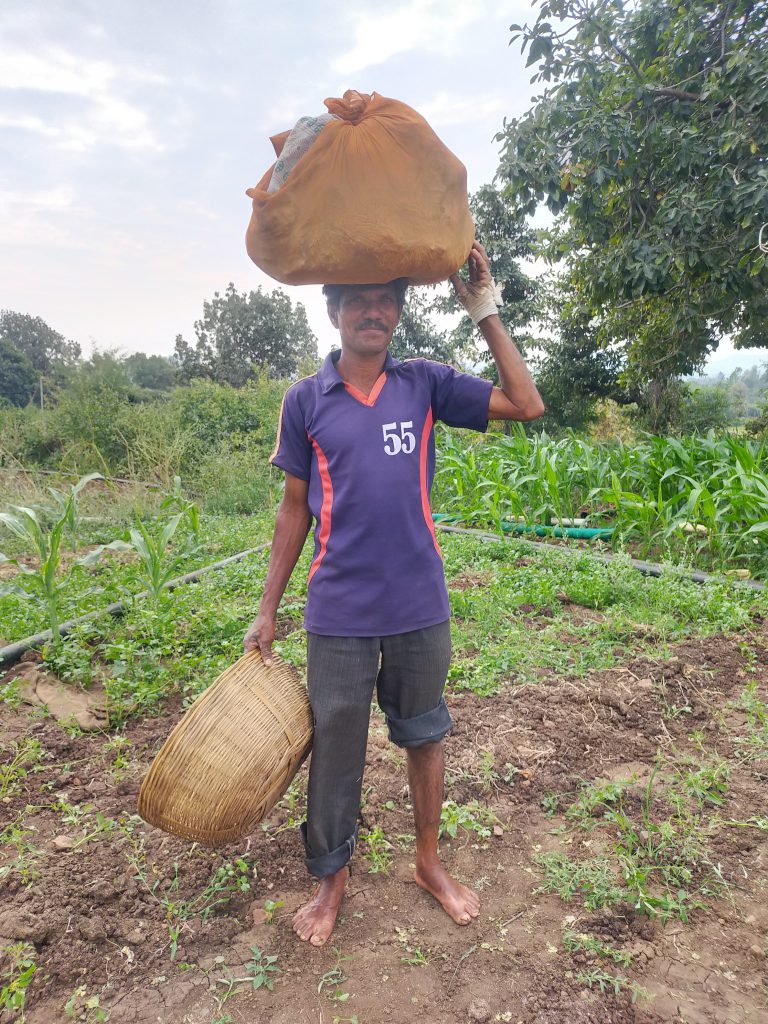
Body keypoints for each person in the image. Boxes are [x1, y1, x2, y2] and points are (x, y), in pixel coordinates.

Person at [244, 241, 544, 947]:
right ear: (334, 311)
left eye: (385, 300)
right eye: (358, 300)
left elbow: (526, 404)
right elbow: (294, 509)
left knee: (424, 735)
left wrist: (485, 310)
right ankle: (331, 879)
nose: (372, 312)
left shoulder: (425, 384)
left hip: (418, 605)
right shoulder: (305, 401)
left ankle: (429, 863)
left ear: (400, 313)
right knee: (335, 748)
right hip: (339, 613)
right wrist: (267, 609)